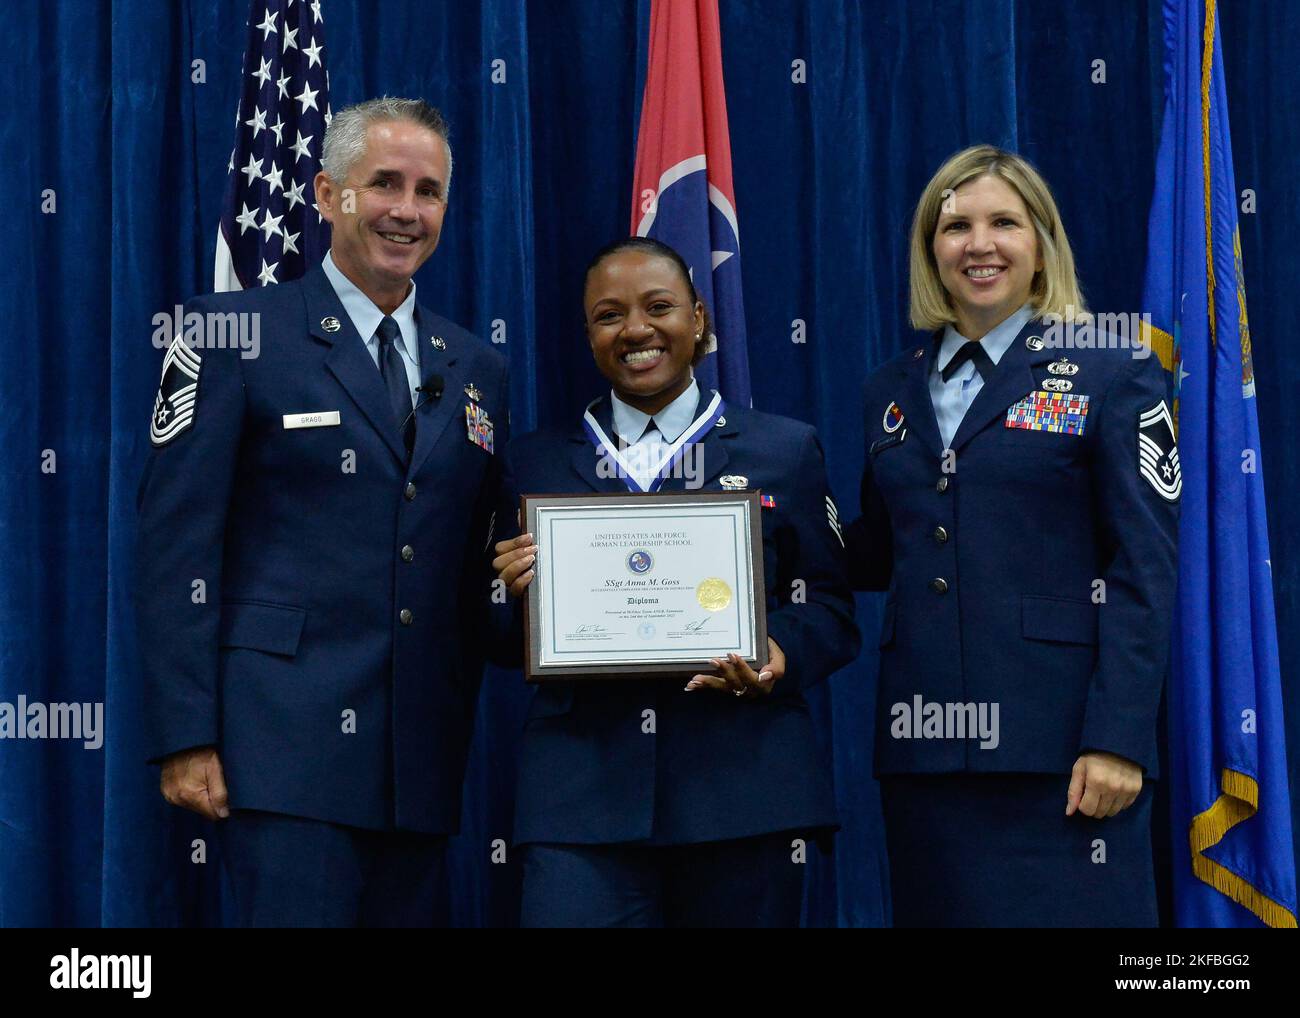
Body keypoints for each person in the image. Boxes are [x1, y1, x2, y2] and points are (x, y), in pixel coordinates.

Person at [135, 98, 508, 926]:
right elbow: (174, 547)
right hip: (279, 752)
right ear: (327, 192)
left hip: (419, 759)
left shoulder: (478, 366)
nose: (406, 211)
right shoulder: (228, 334)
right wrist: (185, 733)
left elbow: (477, 550)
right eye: (384, 184)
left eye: (429, 191)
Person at [845, 145, 1180, 927]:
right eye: (955, 225)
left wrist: (1119, 738)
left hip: (1063, 754)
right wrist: (761, 529)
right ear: (932, 249)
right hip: (925, 754)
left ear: (1042, 245)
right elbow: (883, 546)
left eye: (1004, 222)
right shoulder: (890, 387)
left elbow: (1144, 566)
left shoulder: (1115, 366)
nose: (979, 244)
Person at [490, 237, 860, 928]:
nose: (635, 329)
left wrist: (780, 650)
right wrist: (508, 597)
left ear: (700, 320)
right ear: (588, 334)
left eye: (658, 306)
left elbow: (833, 607)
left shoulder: (785, 450)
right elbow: (490, 635)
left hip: (745, 796)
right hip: (582, 805)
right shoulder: (532, 463)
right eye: (609, 315)